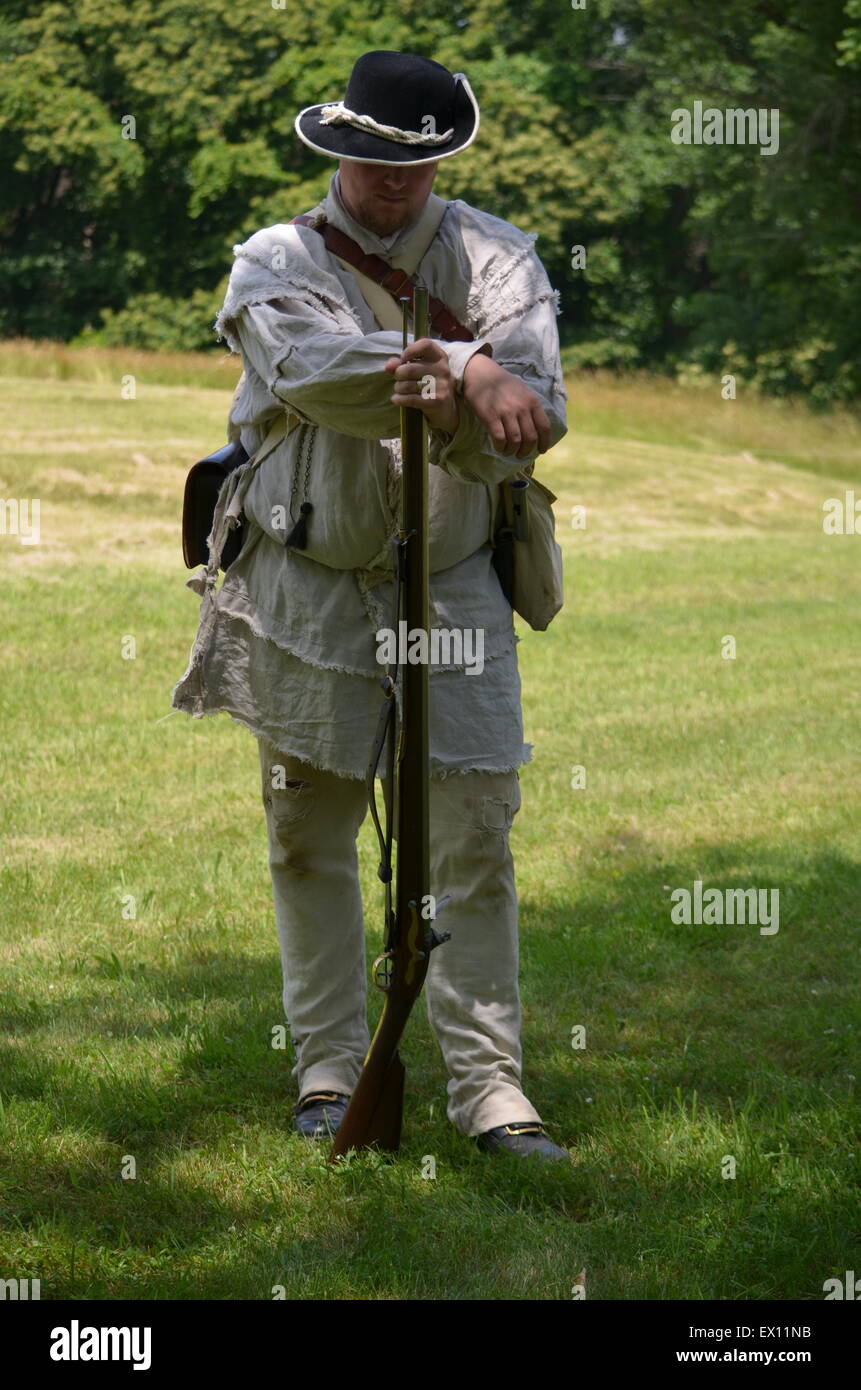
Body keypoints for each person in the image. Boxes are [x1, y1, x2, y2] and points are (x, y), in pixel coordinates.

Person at [172, 50, 569, 1161]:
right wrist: (468, 367)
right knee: (308, 835)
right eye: (372, 162)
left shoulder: (498, 254)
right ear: (336, 151)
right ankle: (329, 1071)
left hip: (452, 589)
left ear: (445, 158)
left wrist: (492, 382)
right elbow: (315, 372)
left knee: (476, 837)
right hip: (307, 589)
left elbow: (542, 412)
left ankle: (491, 1090)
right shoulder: (275, 259)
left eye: (418, 165)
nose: (392, 184)